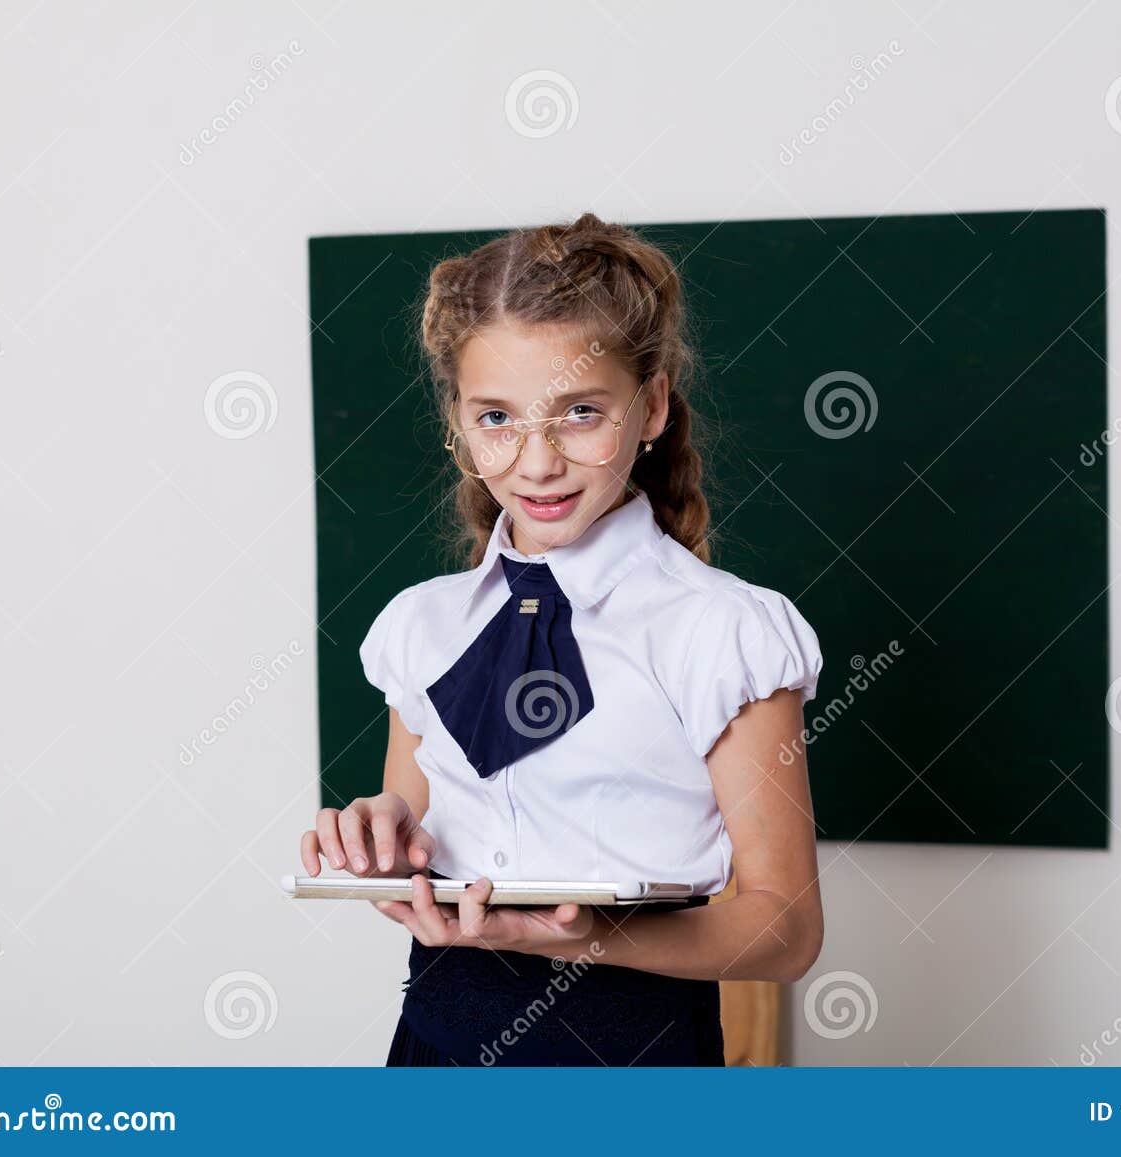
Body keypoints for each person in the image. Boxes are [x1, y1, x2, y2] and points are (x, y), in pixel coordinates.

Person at [299, 211, 826, 1066]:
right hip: (432, 1044)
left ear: (651, 404)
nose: (535, 462)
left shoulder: (721, 631)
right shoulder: (422, 625)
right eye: (497, 417)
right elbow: (419, 834)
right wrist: (382, 832)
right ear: (459, 421)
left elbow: (787, 925)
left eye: (580, 412)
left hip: (630, 1055)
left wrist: (579, 938)